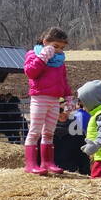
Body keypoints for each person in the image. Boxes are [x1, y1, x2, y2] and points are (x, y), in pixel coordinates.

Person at [23, 27, 72, 175]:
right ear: (45, 42)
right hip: (39, 98)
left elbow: (63, 80)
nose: (58, 50)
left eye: (61, 48)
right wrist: (42, 58)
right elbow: (30, 72)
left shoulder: (59, 62)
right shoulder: (33, 54)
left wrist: (68, 97)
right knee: (35, 131)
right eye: (55, 46)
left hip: (55, 100)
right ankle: (30, 163)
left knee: (49, 132)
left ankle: (47, 162)